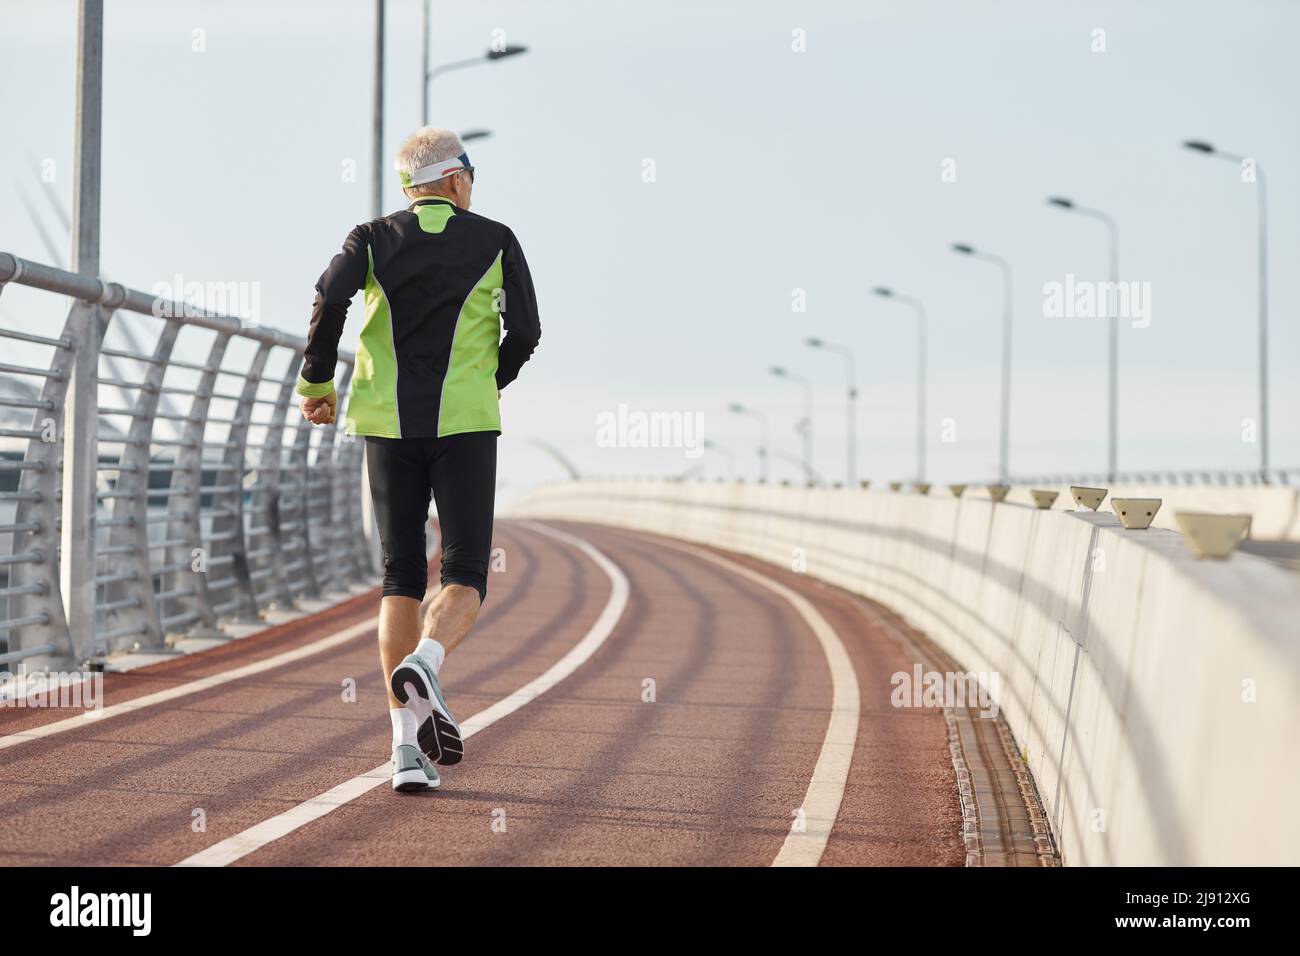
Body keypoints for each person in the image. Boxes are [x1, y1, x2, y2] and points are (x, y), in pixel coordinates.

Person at [296, 127, 540, 792]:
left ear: (410, 187)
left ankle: (405, 749)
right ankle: (429, 660)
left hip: (387, 424)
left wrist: (317, 383)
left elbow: (330, 294)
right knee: (465, 571)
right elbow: (527, 332)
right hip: (464, 425)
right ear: (457, 179)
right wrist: (490, 380)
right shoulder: (496, 239)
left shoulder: (370, 238)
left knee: (400, 574)